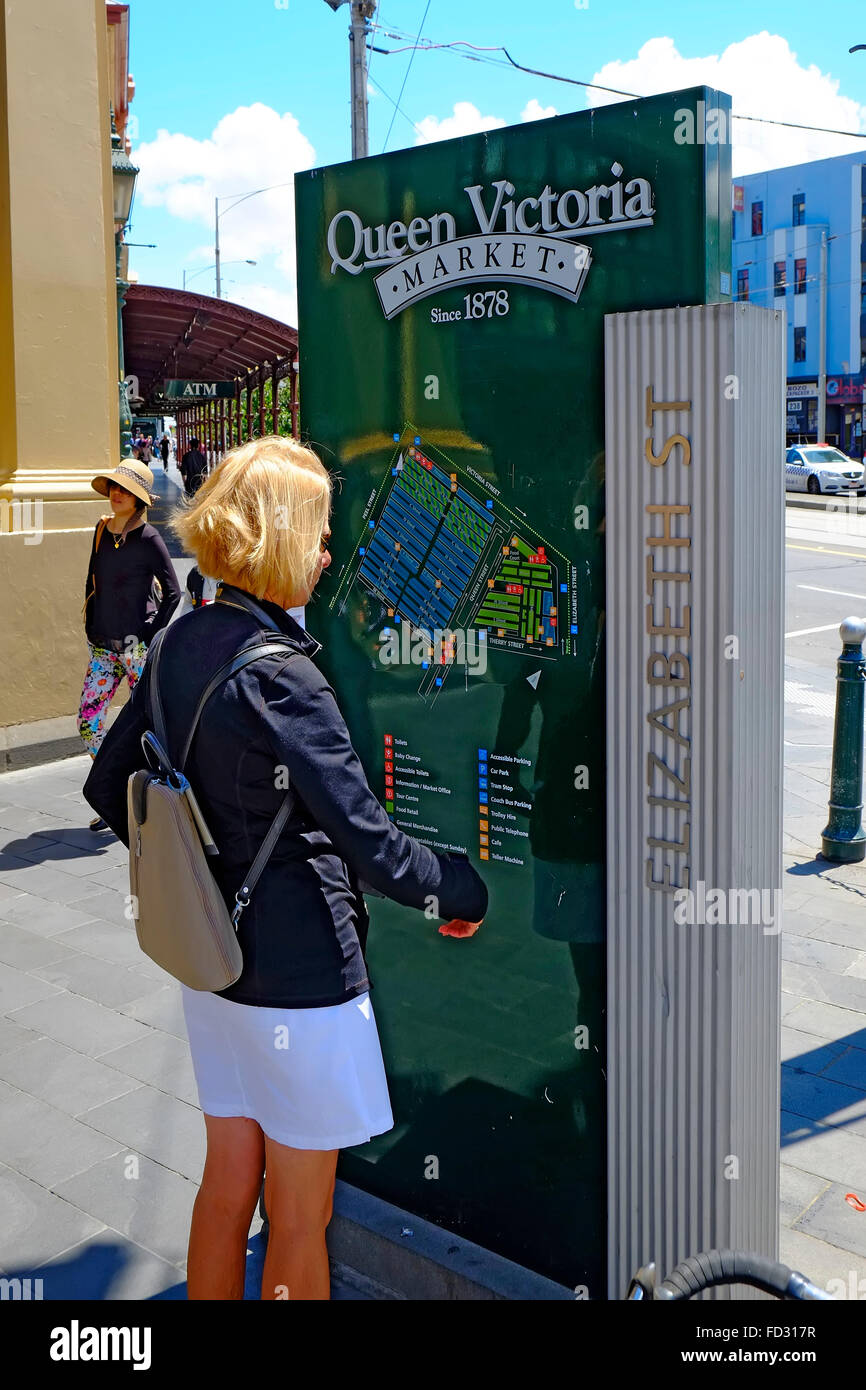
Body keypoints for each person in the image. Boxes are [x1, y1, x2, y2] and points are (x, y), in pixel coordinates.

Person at [82, 435, 487, 1301]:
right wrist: (460, 886)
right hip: (300, 976)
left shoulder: (182, 640)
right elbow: (369, 844)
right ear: (280, 539)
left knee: (228, 1180)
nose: (330, 550)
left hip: (211, 963)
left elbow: (108, 781)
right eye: (321, 531)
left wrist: (199, 866)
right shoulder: (286, 677)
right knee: (301, 1217)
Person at [78, 459, 182, 830]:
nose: (116, 493)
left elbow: (173, 593)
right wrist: (91, 627)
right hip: (104, 647)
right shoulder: (101, 531)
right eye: (113, 487)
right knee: (89, 723)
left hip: (136, 649)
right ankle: (116, 790)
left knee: (148, 725)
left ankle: (158, 797)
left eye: (124, 489)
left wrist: (149, 635)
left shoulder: (149, 538)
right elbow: (93, 581)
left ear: (139, 499)